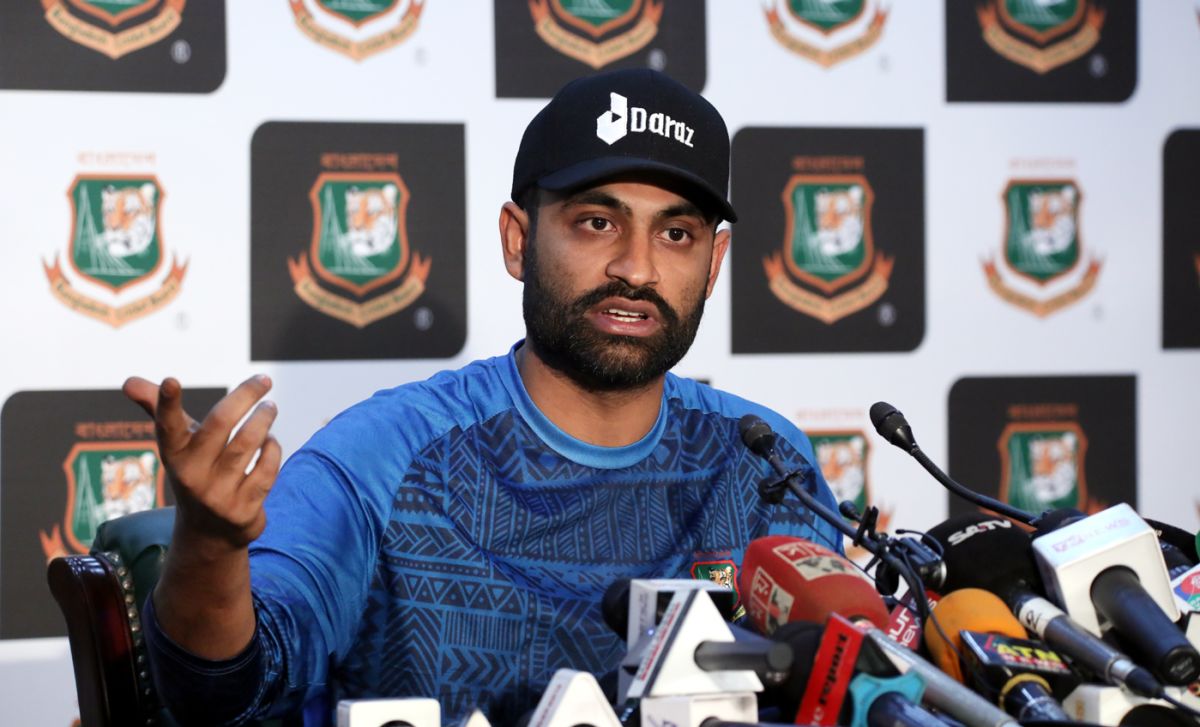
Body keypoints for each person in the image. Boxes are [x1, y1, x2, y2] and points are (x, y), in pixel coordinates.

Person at [124, 69, 843, 726]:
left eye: (677, 233)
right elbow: (221, 691)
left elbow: (832, 686)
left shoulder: (765, 462)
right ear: (518, 239)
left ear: (713, 263)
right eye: (598, 222)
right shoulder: (389, 454)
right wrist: (211, 548)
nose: (636, 267)